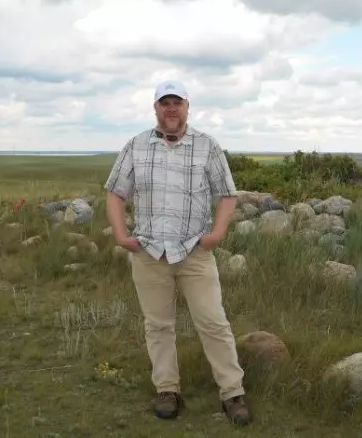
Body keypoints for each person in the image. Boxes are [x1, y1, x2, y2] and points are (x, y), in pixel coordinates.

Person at [104, 80, 252, 426]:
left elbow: (227, 194)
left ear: (188, 106)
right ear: (155, 108)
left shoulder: (206, 146)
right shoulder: (136, 146)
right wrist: (122, 236)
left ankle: (232, 393)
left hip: (194, 252)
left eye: (177, 102)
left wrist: (216, 234)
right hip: (149, 252)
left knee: (214, 322)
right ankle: (167, 390)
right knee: (158, 325)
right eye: (164, 102)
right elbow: (115, 193)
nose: (171, 109)